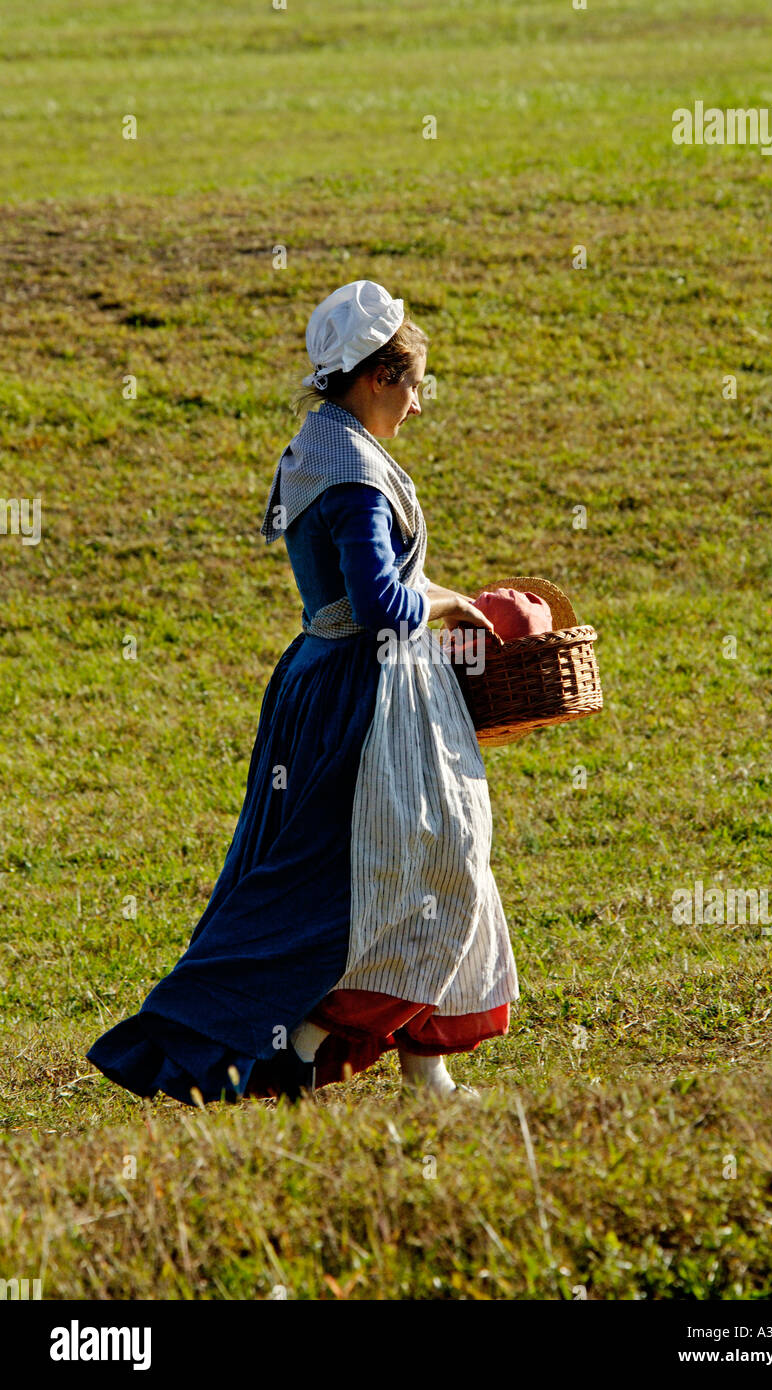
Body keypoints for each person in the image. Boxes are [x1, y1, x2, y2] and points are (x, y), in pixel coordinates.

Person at [87, 279, 519, 1106]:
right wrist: (448, 601)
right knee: (388, 877)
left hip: (334, 686)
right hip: (366, 699)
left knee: (435, 862)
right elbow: (382, 608)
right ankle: (303, 1045)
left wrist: (433, 595)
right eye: (414, 384)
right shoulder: (352, 473)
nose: (419, 406)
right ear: (377, 377)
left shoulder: (321, 442)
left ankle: (424, 1065)